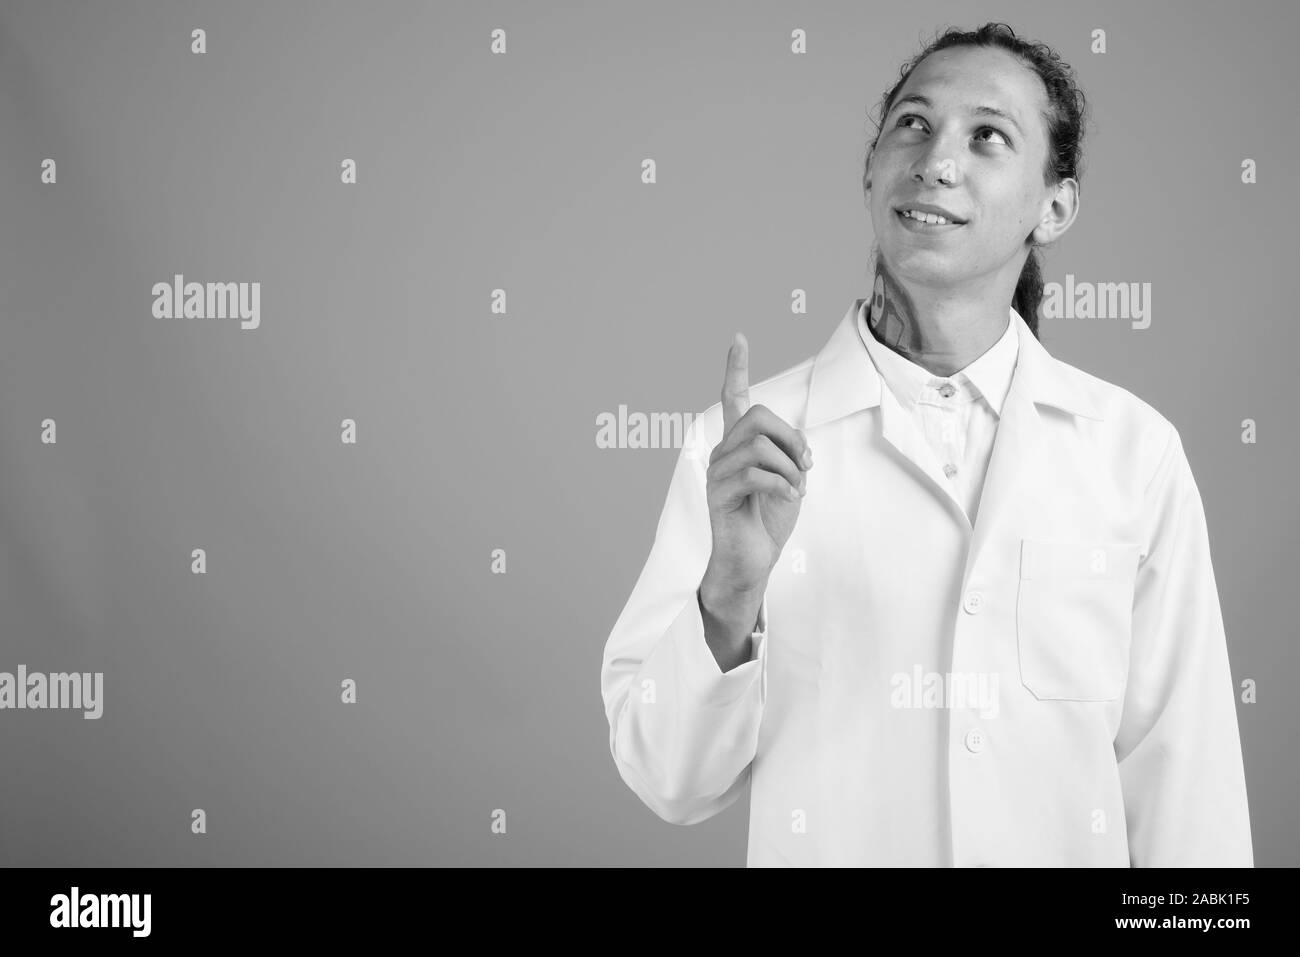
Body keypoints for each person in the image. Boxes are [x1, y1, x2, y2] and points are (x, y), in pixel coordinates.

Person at [599, 22, 1252, 866]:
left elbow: (1186, 791)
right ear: (871, 170)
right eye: (913, 124)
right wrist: (730, 593)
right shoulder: (745, 448)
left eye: (987, 136)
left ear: (1055, 207)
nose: (936, 160)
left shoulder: (1132, 454)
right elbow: (666, 779)